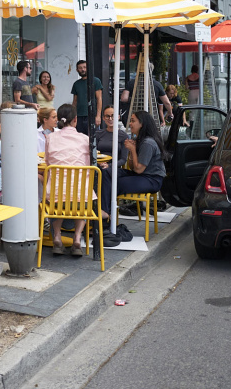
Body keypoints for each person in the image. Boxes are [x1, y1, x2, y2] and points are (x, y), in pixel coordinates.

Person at [99, 110, 166, 223]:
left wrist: (133, 150)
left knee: (115, 183)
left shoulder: (148, 143)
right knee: (106, 172)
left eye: (133, 121)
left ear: (142, 124)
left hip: (152, 179)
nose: (130, 123)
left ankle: (105, 214)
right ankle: (105, 211)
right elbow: (132, 167)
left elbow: (139, 169)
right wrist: (131, 151)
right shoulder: (139, 140)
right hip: (140, 175)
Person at [43, 104, 92, 256]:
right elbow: (89, 164)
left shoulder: (50, 138)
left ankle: (57, 236)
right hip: (81, 202)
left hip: (55, 201)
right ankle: (77, 238)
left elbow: (48, 163)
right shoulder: (85, 139)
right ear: (75, 120)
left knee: (55, 190)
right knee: (83, 190)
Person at [70, 60, 102, 135]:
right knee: (79, 138)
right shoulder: (76, 84)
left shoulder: (96, 81)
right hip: (78, 117)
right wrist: (71, 116)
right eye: (80, 68)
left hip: (91, 115)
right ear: (77, 70)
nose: (83, 69)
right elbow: (74, 101)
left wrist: (98, 116)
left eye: (84, 67)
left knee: (92, 138)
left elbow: (99, 99)